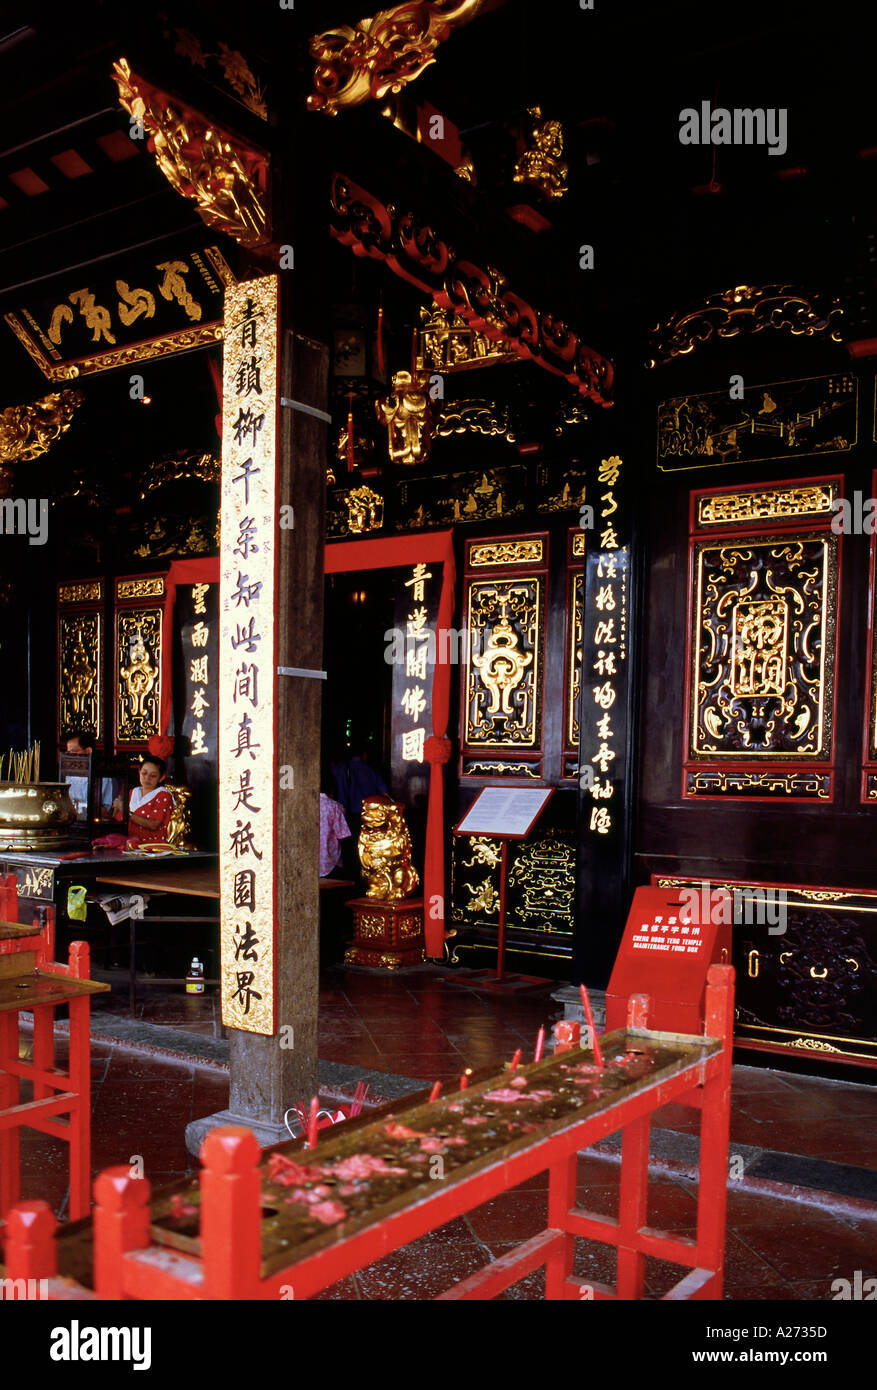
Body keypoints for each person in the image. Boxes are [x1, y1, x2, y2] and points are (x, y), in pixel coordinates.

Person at [127, 756, 174, 846]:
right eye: (144, 773)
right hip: (131, 844)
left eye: (153, 776)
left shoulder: (163, 795)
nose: (147, 778)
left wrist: (127, 812)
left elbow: (153, 824)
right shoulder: (132, 792)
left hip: (154, 846)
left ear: (161, 777)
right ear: (139, 771)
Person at [319, 770, 351, 878]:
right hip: (330, 864)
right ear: (331, 787)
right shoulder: (334, 807)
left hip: (308, 863)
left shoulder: (303, 806)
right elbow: (343, 836)